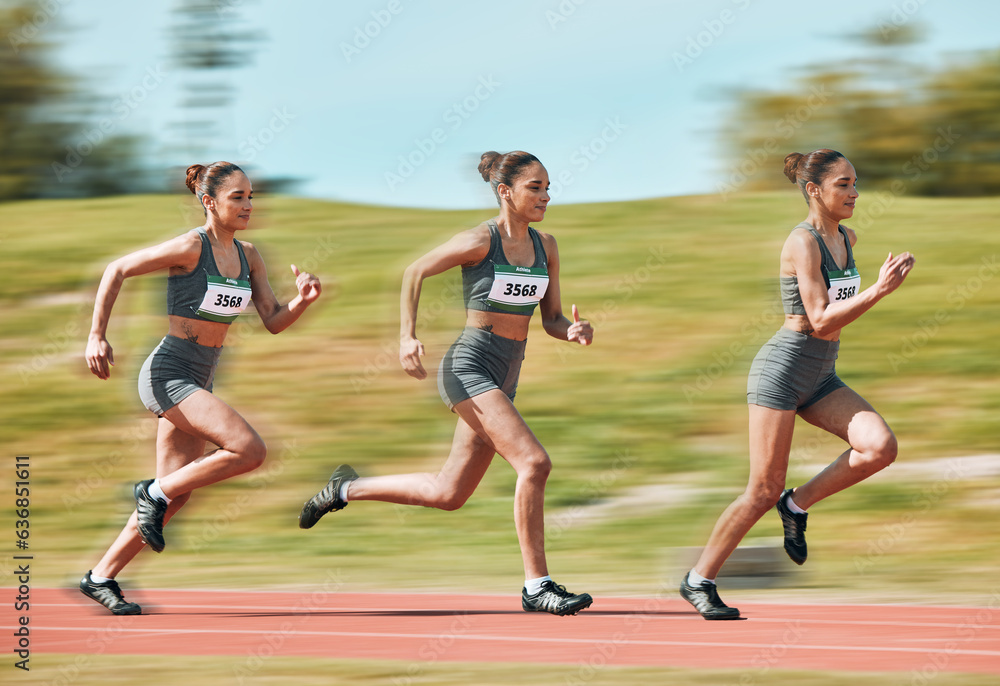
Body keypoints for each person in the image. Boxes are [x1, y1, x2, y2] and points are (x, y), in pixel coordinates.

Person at [299, 150, 595, 616]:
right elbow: (414, 270)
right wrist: (406, 337)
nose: (545, 196)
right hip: (468, 367)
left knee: (448, 493)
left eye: (547, 187)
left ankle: (343, 490)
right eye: (534, 187)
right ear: (505, 192)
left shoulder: (547, 247)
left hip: (505, 374)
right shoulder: (481, 240)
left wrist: (573, 331)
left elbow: (552, 318)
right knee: (534, 463)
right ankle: (537, 586)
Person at [680, 149, 916, 619]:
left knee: (880, 448)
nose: (853, 192)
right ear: (814, 190)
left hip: (822, 374)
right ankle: (698, 579)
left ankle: (798, 505)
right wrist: (879, 291)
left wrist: (872, 292)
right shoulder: (801, 242)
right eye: (843, 184)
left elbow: (833, 322)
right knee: (762, 488)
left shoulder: (847, 238)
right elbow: (822, 319)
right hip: (783, 373)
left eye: (855, 183)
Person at [80, 162, 321, 614]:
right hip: (169, 374)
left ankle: (100, 576)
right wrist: (96, 335)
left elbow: (272, 320)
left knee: (177, 494)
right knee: (249, 450)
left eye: (251, 196)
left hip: (201, 374)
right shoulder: (192, 247)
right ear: (210, 202)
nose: (249, 205)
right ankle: (151, 492)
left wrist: (301, 302)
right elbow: (117, 269)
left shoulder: (249, 255)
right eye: (238, 197)